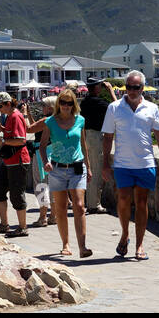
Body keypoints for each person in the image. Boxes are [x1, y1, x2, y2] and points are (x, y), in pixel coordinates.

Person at [101, 70, 159, 260]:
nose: (131, 91)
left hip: (145, 162)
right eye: (128, 87)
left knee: (141, 203)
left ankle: (139, 245)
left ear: (142, 88)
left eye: (136, 87)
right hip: (122, 164)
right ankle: (124, 234)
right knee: (123, 200)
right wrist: (105, 163)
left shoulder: (152, 108)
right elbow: (107, 137)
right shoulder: (114, 108)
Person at [40, 88, 93, 257]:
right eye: (62, 102)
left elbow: (83, 145)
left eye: (69, 103)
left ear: (73, 104)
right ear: (58, 104)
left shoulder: (80, 121)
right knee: (61, 208)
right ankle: (65, 244)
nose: (66, 106)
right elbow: (42, 146)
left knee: (79, 206)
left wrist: (89, 167)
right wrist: (45, 162)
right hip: (56, 169)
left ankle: (82, 247)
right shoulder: (50, 122)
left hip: (77, 167)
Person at [0, 92, 30, 238]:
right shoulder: (9, 117)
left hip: (18, 160)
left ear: (8, 103)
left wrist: (3, 142)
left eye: (0, 105)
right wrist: (0, 127)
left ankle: (22, 227)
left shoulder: (16, 116)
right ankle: (4, 224)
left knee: (16, 194)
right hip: (8, 160)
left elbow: (20, 140)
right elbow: (10, 133)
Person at [79, 77, 114, 215]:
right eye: (100, 85)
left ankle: (90, 202)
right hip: (95, 137)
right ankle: (94, 205)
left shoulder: (86, 101)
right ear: (97, 87)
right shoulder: (98, 102)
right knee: (95, 170)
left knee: (88, 170)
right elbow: (117, 107)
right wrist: (111, 91)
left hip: (86, 135)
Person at [24, 96, 55, 227]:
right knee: (53, 186)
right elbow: (36, 127)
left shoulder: (47, 120)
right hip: (53, 153)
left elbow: (29, 129)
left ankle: (43, 217)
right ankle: (53, 216)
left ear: (51, 107)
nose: (42, 107)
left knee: (41, 185)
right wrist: (30, 115)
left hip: (42, 154)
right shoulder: (57, 119)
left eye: (44, 105)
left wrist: (24, 115)